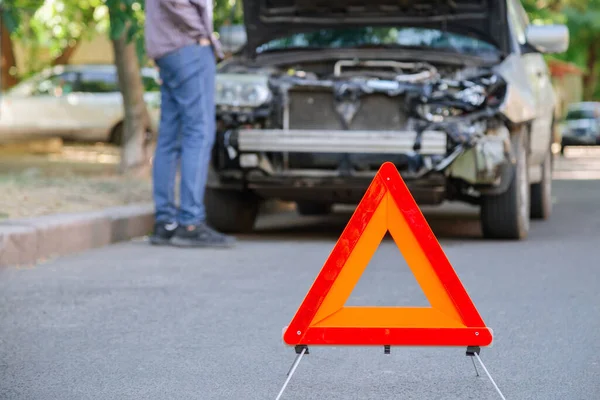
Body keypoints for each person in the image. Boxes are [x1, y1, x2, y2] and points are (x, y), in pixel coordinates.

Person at [144, 0, 235, 248]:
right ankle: (190, 223)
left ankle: (165, 224)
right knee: (199, 133)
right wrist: (202, 34)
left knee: (170, 138)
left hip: (167, 51)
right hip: (188, 48)